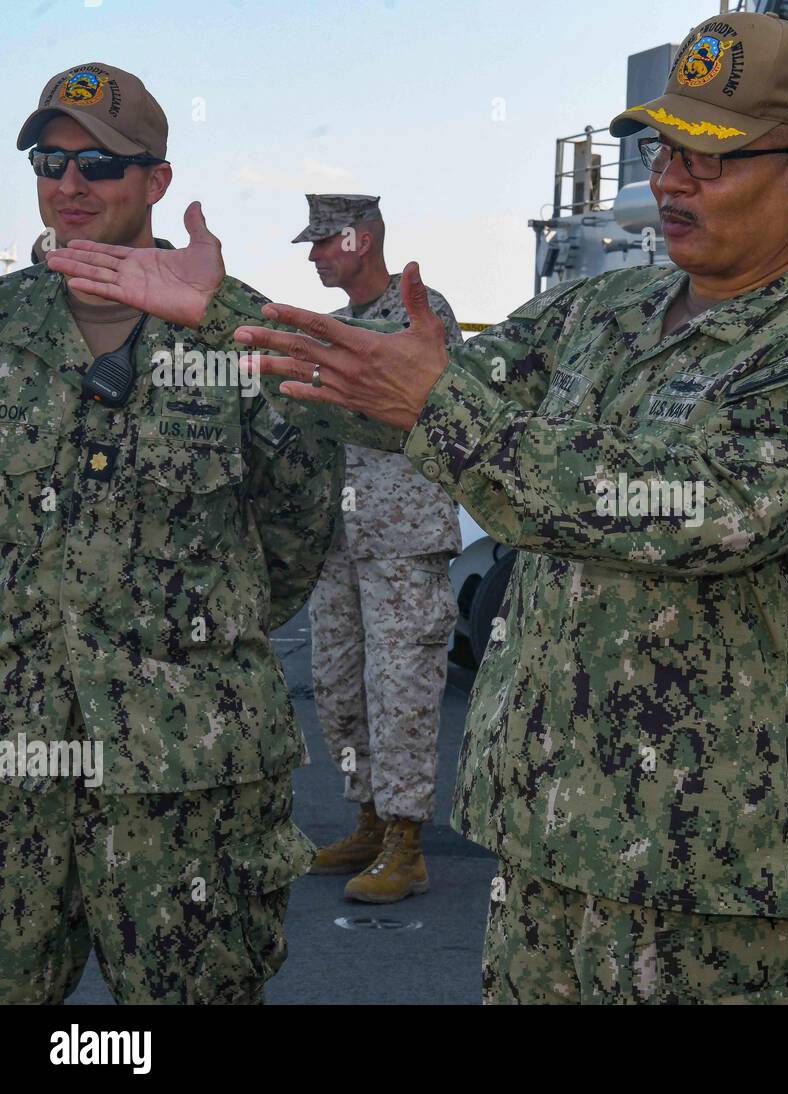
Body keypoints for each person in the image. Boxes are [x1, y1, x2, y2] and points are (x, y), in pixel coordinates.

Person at [54, 12, 788, 1003]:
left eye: (708, 159)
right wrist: (229, 308)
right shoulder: (609, 308)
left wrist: (437, 405)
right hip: (546, 834)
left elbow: (670, 513)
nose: (670, 179)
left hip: (704, 875)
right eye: (664, 149)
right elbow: (407, 390)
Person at [0, 63, 342, 1003]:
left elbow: (300, 518)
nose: (68, 185)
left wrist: (176, 647)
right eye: (49, 159)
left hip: (188, 775)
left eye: (99, 165)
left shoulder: (236, 331)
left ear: (156, 182)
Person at [293, 194, 463, 903]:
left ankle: (405, 841)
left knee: (402, 692)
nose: (314, 256)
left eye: (325, 243)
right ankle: (366, 816)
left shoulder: (421, 313)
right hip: (341, 541)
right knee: (338, 689)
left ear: (361, 240)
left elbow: (445, 408)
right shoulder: (331, 328)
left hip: (403, 538)